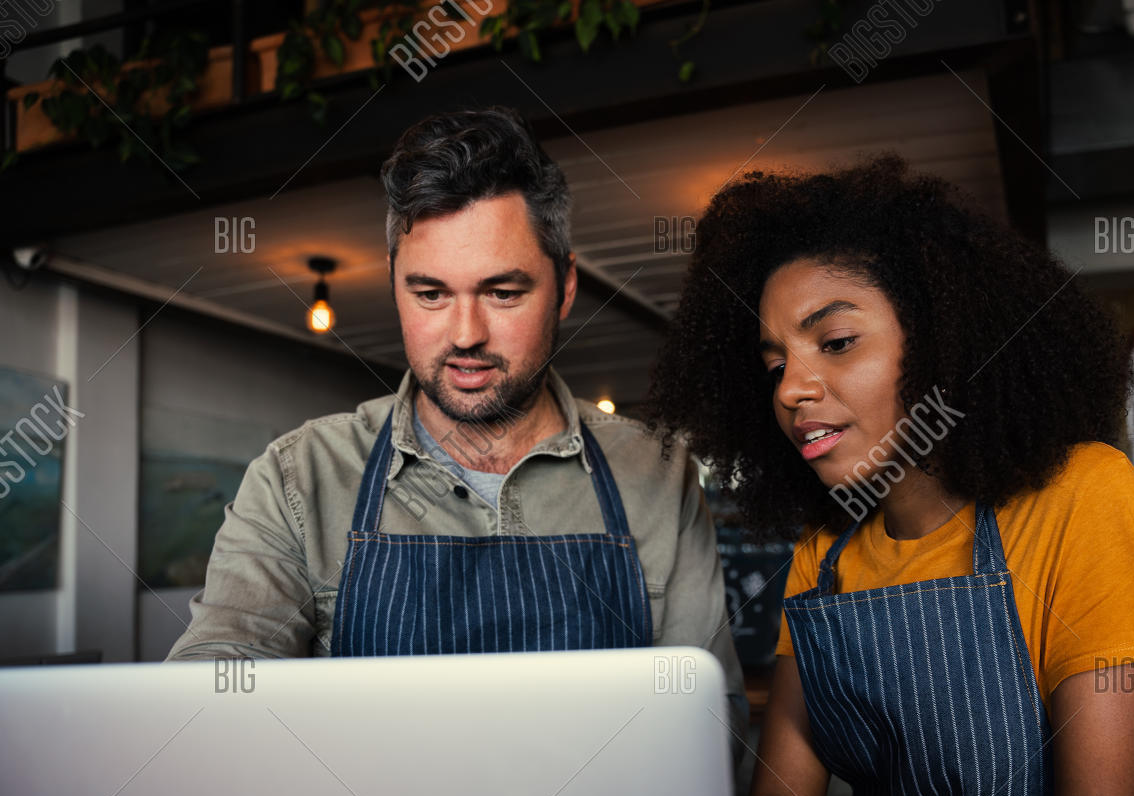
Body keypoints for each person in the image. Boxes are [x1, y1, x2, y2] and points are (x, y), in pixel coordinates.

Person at [648, 155, 1134, 796]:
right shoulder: (823, 550)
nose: (793, 387)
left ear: (944, 341)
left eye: (835, 342)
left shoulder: (1083, 497)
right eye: (773, 363)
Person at [167, 106, 746, 741]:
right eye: (431, 294)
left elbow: (709, 725)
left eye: (503, 293)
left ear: (567, 287)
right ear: (394, 286)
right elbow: (211, 696)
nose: (466, 335)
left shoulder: (657, 475)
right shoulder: (297, 479)